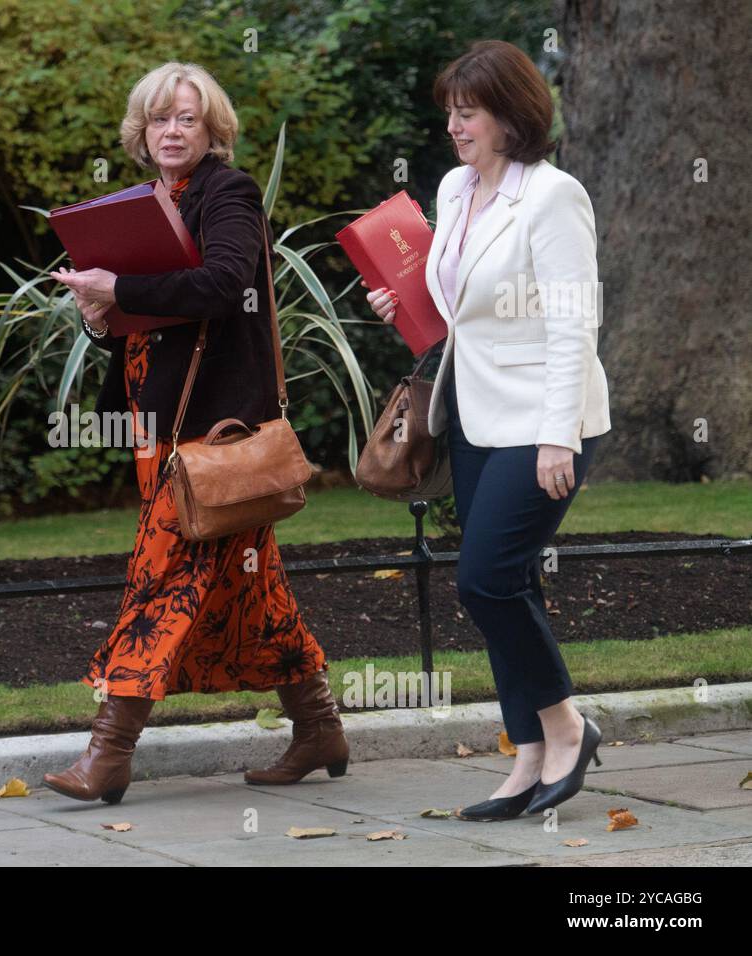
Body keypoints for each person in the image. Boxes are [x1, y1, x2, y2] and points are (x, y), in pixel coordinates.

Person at [43, 62, 348, 805]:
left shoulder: (228, 192)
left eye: (186, 118)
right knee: (255, 585)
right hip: (165, 431)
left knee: (164, 574)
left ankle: (109, 754)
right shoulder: (150, 201)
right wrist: (106, 313)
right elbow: (157, 318)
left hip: (214, 432)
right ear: (140, 134)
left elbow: (224, 283)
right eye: (158, 120)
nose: (172, 131)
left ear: (213, 129)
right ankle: (318, 728)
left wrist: (124, 288)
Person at [365, 40, 612, 820]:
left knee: (486, 578)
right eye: (450, 112)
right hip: (472, 414)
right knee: (507, 582)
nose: (453, 126)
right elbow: (459, 302)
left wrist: (557, 437)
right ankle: (530, 755)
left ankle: (569, 726)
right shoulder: (452, 188)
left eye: (467, 112)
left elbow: (575, 324)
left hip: (544, 416)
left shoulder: (553, 195)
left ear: (510, 116)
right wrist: (401, 308)